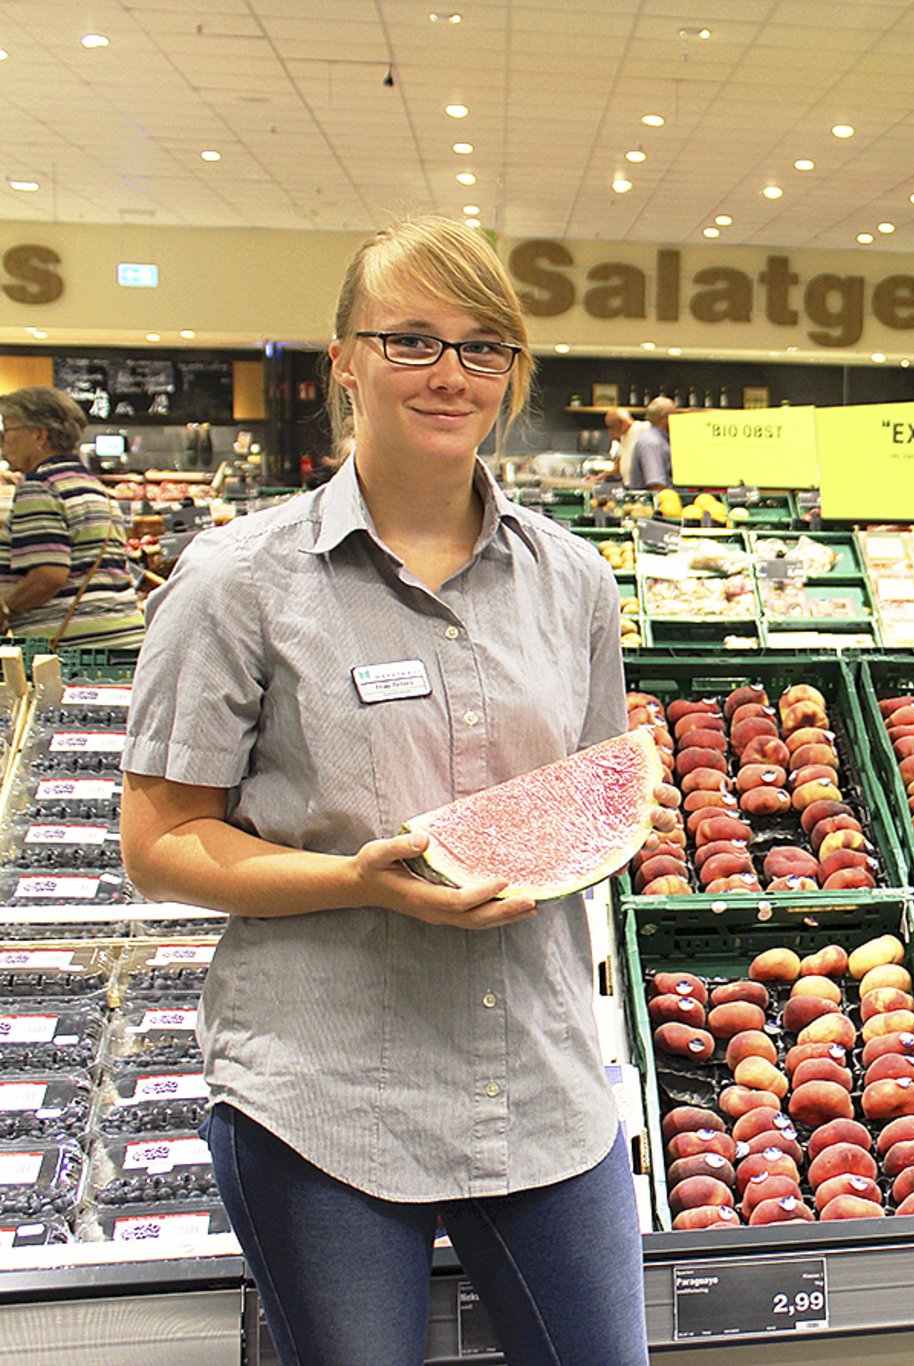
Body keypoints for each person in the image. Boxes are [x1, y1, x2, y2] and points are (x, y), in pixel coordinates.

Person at [119, 215, 673, 1366]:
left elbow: (583, 787)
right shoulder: (235, 582)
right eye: (410, 339)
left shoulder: (572, 580)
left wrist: (614, 815)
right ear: (344, 360)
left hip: (540, 1083)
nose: (448, 373)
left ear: (511, 371)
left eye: (482, 346)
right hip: (325, 1098)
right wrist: (357, 881)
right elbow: (161, 843)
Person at [0, 386, 148, 646]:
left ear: (39, 434)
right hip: (122, 638)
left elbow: (48, 576)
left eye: (7, 431)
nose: (3, 442)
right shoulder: (90, 483)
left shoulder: (39, 485)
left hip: (75, 647)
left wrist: (5, 607)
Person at [626, 396, 675, 489]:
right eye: (674, 415)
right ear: (665, 418)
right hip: (657, 498)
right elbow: (656, 485)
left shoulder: (660, 439)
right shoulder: (652, 442)